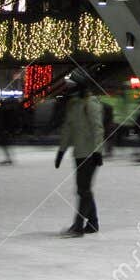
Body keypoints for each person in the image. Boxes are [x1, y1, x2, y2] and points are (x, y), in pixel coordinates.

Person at [55, 79, 104, 236]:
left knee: (83, 189)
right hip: (79, 153)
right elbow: (68, 130)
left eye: (71, 86)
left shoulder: (90, 103)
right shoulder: (74, 105)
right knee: (83, 189)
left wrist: (98, 151)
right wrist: (61, 151)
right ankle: (93, 222)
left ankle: (78, 225)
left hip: (89, 153)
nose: (68, 89)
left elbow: (98, 128)